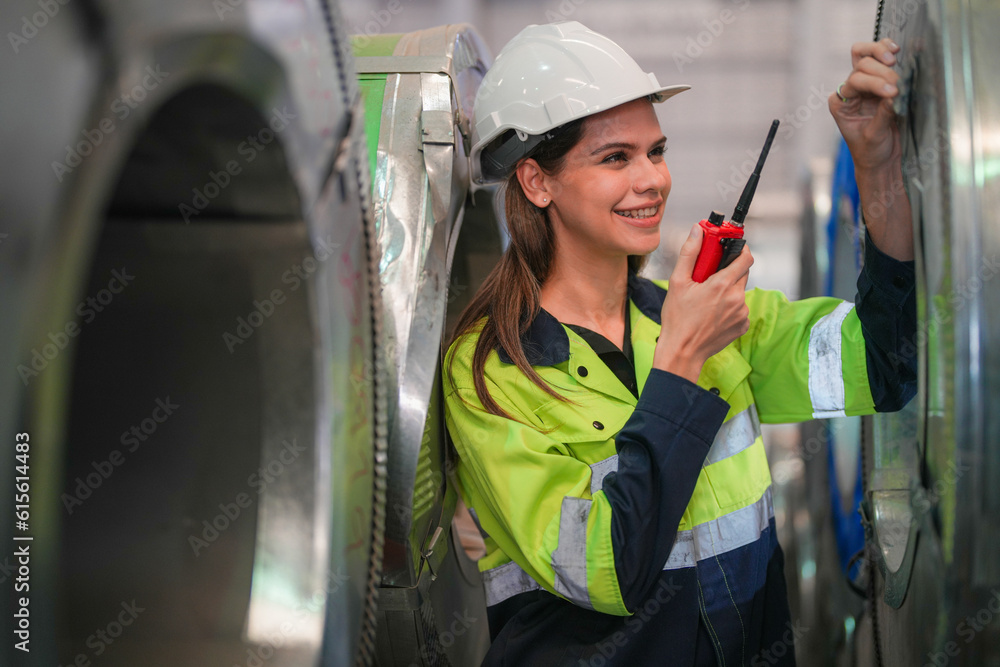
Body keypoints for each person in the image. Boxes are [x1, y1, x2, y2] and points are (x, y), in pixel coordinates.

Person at [443, 21, 915, 666]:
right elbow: (609, 570)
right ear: (536, 182)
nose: (652, 179)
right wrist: (683, 359)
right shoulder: (492, 372)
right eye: (616, 158)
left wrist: (878, 166)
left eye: (656, 151)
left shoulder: (709, 318)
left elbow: (888, 363)